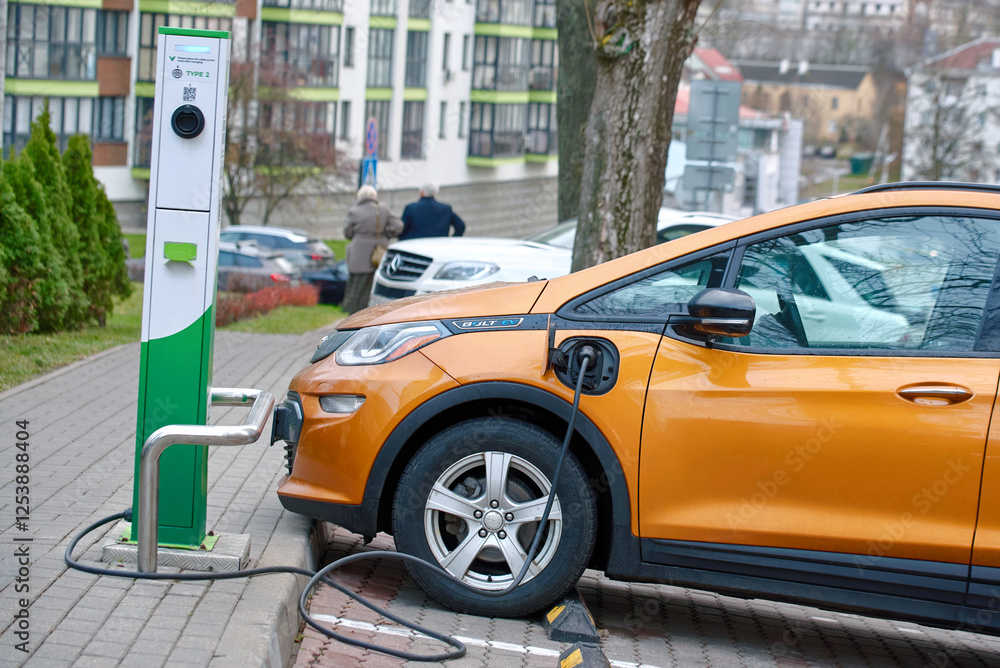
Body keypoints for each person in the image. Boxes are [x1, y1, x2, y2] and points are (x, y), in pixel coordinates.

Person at [342, 185, 402, 313]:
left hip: (359, 254)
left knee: (357, 288)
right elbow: (398, 225)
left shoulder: (354, 211)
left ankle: (354, 314)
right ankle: (375, 313)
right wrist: (386, 234)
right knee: (375, 286)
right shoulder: (382, 209)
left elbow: (347, 233)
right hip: (379, 253)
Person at [399, 183, 466, 240]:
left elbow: (401, 228)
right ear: (435, 193)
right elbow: (461, 226)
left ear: (421, 192)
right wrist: (450, 240)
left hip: (416, 245)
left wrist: (404, 240)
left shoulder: (411, 208)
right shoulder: (445, 208)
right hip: (439, 245)